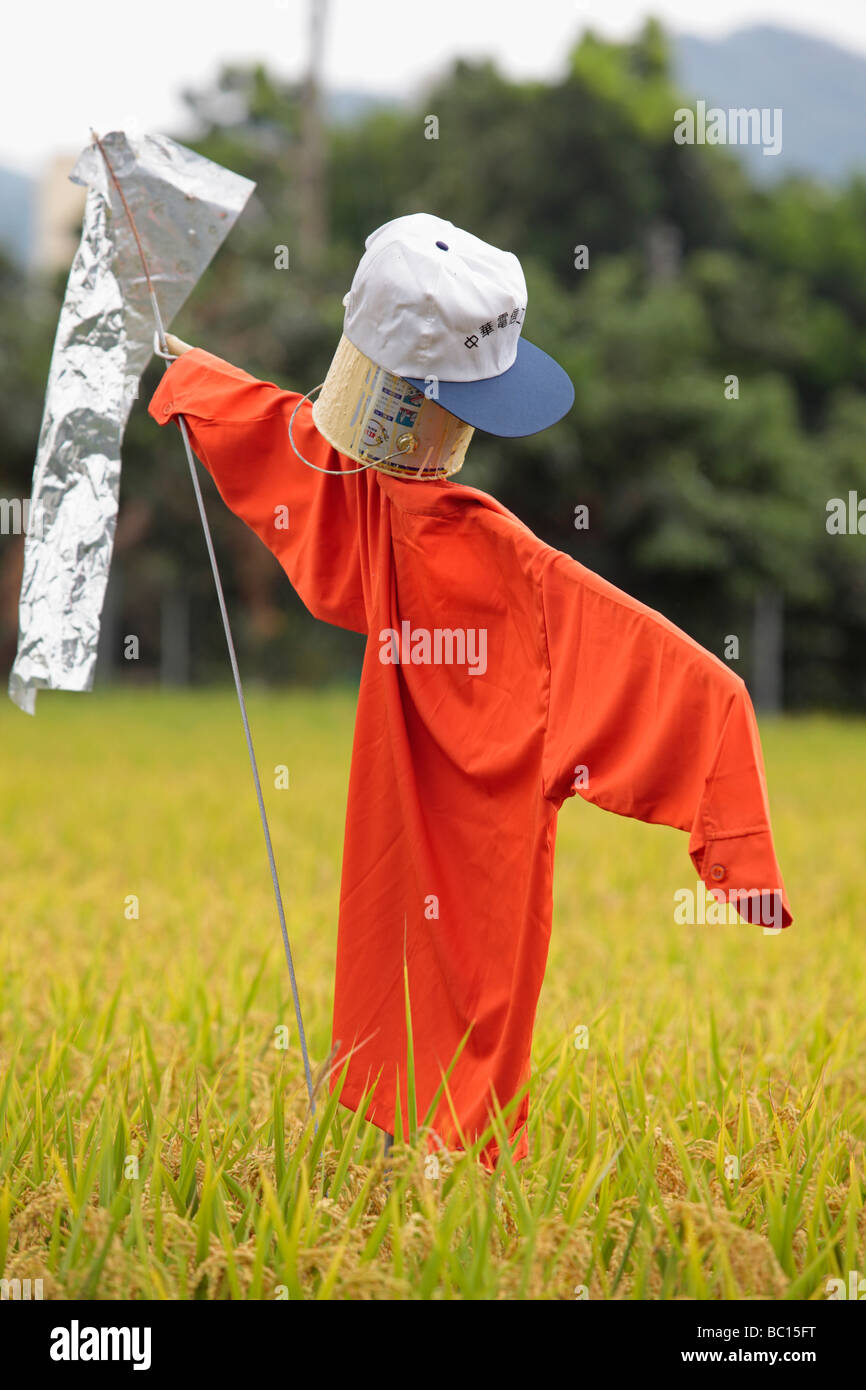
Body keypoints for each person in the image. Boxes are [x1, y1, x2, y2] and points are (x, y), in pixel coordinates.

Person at [150, 213, 792, 1169]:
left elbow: (270, 429)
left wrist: (182, 373)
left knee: (424, 997)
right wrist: (740, 851)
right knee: (443, 1031)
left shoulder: (391, 519)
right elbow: (708, 692)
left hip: (444, 853)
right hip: (468, 859)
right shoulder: (456, 546)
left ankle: (435, 1172)